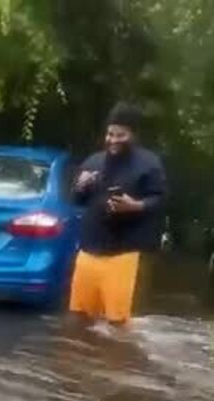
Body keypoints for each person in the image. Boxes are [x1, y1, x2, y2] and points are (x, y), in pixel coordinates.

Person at [69, 102, 167, 327]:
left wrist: (136, 206)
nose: (113, 140)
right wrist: (80, 187)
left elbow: (160, 200)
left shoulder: (149, 164)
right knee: (78, 320)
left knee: (118, 325)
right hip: (88, 252)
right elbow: (76, 200)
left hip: (124, 255)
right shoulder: (93, 161)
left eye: (120, 135)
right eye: (110, 134)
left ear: (133, 135)